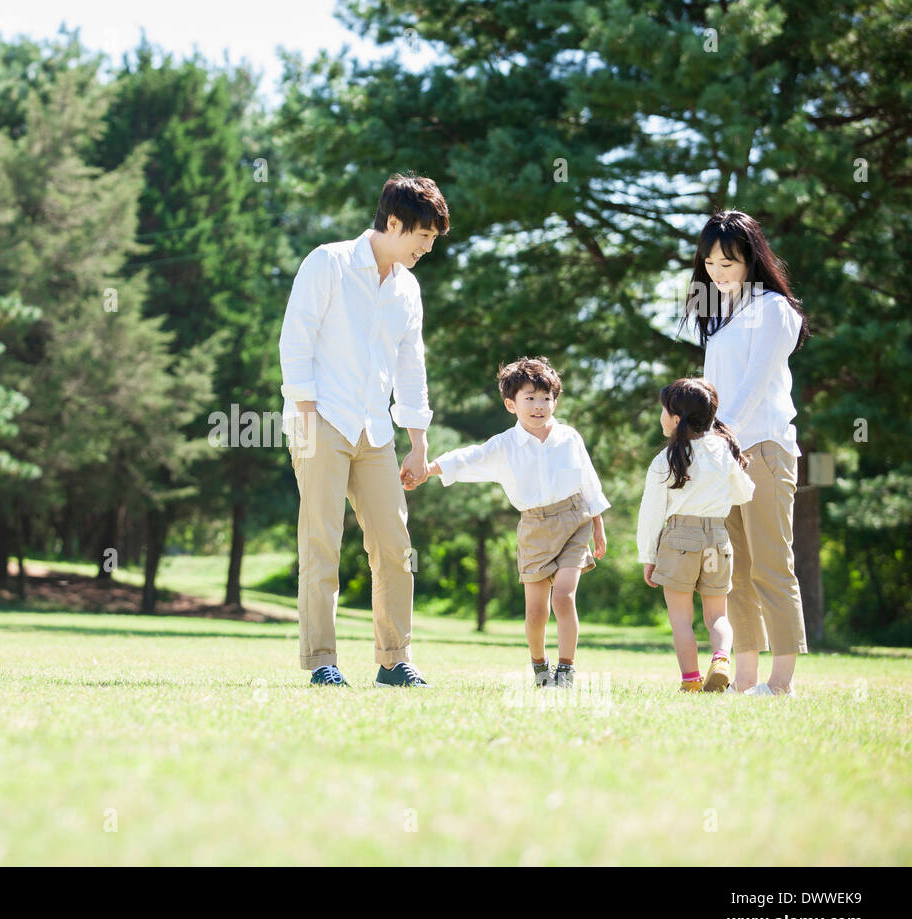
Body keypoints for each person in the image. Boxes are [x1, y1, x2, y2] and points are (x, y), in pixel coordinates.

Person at [278, 173, 449, 687]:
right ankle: (322, 661)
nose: (427, 248)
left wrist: (418, 442)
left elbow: (411, 366)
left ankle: (394, 661)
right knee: (322, 543)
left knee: (395, 546)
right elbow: (296, 338)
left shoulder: (407, 288)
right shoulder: (327, 263)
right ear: (394, 222)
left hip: (375, 431)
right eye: (423, 236)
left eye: (433, 239)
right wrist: (305, 412)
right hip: (320, 420)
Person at [407, 357, 608, 689]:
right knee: (536, 611)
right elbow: (469, 457)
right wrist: (428, 470)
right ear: (511, 404)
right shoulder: (504, 445)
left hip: (575, 521)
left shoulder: (569, 438)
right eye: (530, 398)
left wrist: (598, 527)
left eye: (546, 398)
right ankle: (540, 666)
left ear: (555, 402)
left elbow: (589, 482)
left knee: (563, 597)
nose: (539, 405)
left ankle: (566, 670)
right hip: (534, 528)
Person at [680, 210, 811, 696]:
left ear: (752, 259)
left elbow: (756, 381)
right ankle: (746, 680)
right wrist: (704, 438)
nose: (717, 273)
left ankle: (781, 683)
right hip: (724, 453)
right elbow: (715, 387)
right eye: (710, 263)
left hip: (764, 449)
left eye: (728, 263)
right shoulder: (719, 313)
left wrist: (722, 433)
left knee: (772, 564)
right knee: (733, 570)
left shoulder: (775, 309)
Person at [637, 378, 755, 692]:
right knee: (717, 615)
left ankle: (691, 681)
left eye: (664, 411)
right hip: (717, 540)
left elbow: (651, 515)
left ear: (676, 419)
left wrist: (648, 556)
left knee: (680, 618)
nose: (661, 417)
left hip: (679, 541)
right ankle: (721, 659)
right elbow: (745, 493)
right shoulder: (722, 453)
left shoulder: (666, 460)